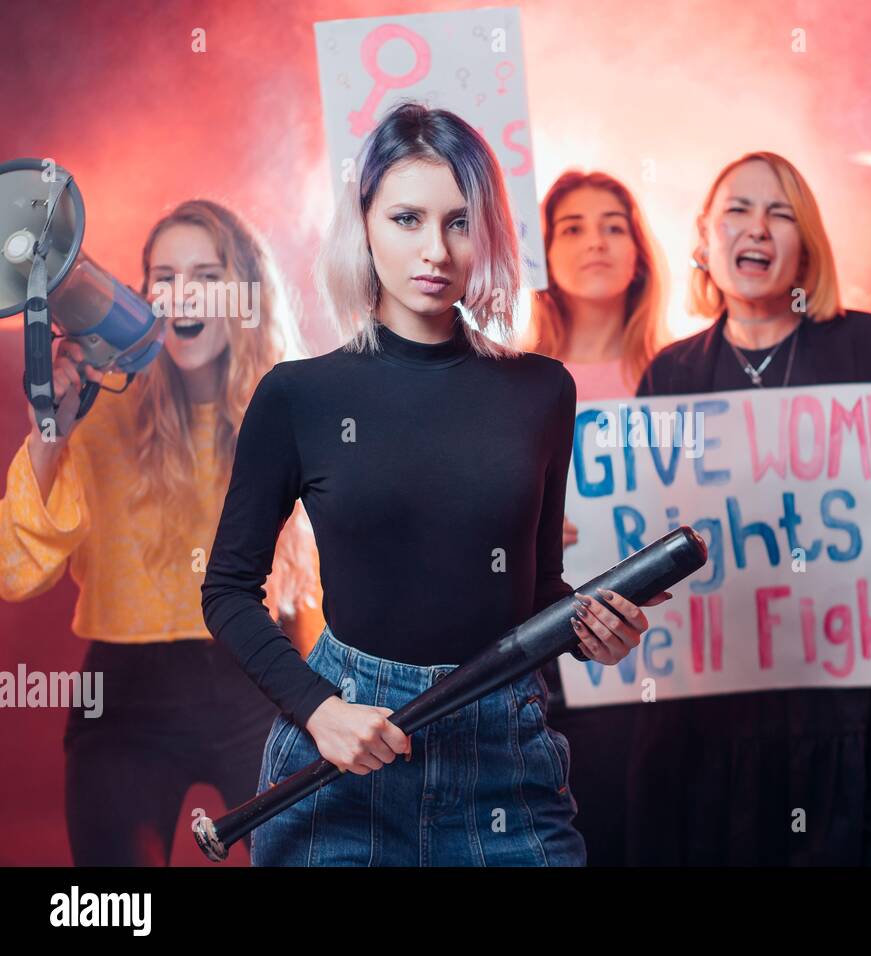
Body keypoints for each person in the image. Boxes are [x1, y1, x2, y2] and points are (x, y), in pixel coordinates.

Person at [200, 103, 668, 867]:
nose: (435, 249)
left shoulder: (542, 390)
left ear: (487, 231)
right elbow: (226, 588)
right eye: (407, 218)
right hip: (346, 750)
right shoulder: (298, 395)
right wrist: (320, 710)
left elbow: (535, 584)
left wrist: (591, 629)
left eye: (459, 221)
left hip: (503, 751)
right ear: (365, 225)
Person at [627, 151, 871, 866]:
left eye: (781, 213)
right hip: (716, 724)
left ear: (806, 244)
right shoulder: (671, 374)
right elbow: (648, 539)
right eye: (739, 211)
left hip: (860, 719)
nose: (759, 229)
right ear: (704, 237)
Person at [0, 199, 321, 865]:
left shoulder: (290, 408)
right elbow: (16, 574)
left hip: (263, 680)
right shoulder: (101, 412)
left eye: (207, 274)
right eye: (164, 277)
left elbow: (330, 576)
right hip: (128, 697)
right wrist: (51, 432)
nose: (182, 294)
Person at [525, 169, 669, 865]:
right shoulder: (513, 382)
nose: (597, 242)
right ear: (543, 252)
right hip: (564, 664)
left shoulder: (682, 374)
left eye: (615, 225)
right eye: (573, 227)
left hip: (684, 665)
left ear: (640, 251)